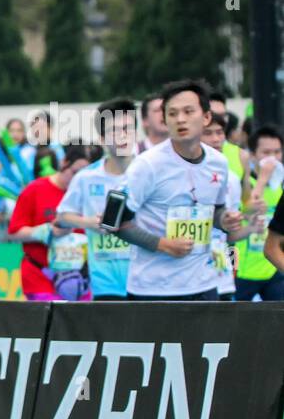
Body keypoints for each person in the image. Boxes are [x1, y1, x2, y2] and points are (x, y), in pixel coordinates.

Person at [115, 79, 249, 301]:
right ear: (165, 120)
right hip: (153, 290)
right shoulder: (146, 165)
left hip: (204, 284)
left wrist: (225, 220)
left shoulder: (219, 162)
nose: (181, 119)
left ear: (206, 117)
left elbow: (215, 211)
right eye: (172, 113)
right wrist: (162, 244)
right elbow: (112, 221)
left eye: (188, 111)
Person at [55, 99, 137, 301]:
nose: (122, 136)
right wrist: (87, 223)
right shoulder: (86, 177)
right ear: (102, 138)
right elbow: (62, 216)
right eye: (114, 130)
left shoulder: (150, 173)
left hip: (143, 281)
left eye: (127, 128)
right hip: (104, 283)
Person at [8, 143, 92, 301]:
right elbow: (14, 232)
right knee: (48, 323)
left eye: (84, 175)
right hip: (39, 276)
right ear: (63, 162)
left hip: (79, 277)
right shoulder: (34, 190)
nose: (78, 180)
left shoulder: (88, 194)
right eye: (75, 172)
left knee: (81, 324)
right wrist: (46, 231)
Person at [235, 123, 284, 301]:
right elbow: (249, 208)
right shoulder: (245, 182)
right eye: (266, 153)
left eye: (277, 152)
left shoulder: (281, 186)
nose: (272, 159)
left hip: (272, 270)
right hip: (241, 271)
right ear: (253, 154)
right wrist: (263, 177)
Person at [203, 113, 242, 300]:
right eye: (209, 133)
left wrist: (248, 225)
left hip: (223, 278)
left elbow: (231, 236)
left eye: (220, 132)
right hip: (190, 278)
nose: (216, 139)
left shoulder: (232, 178)